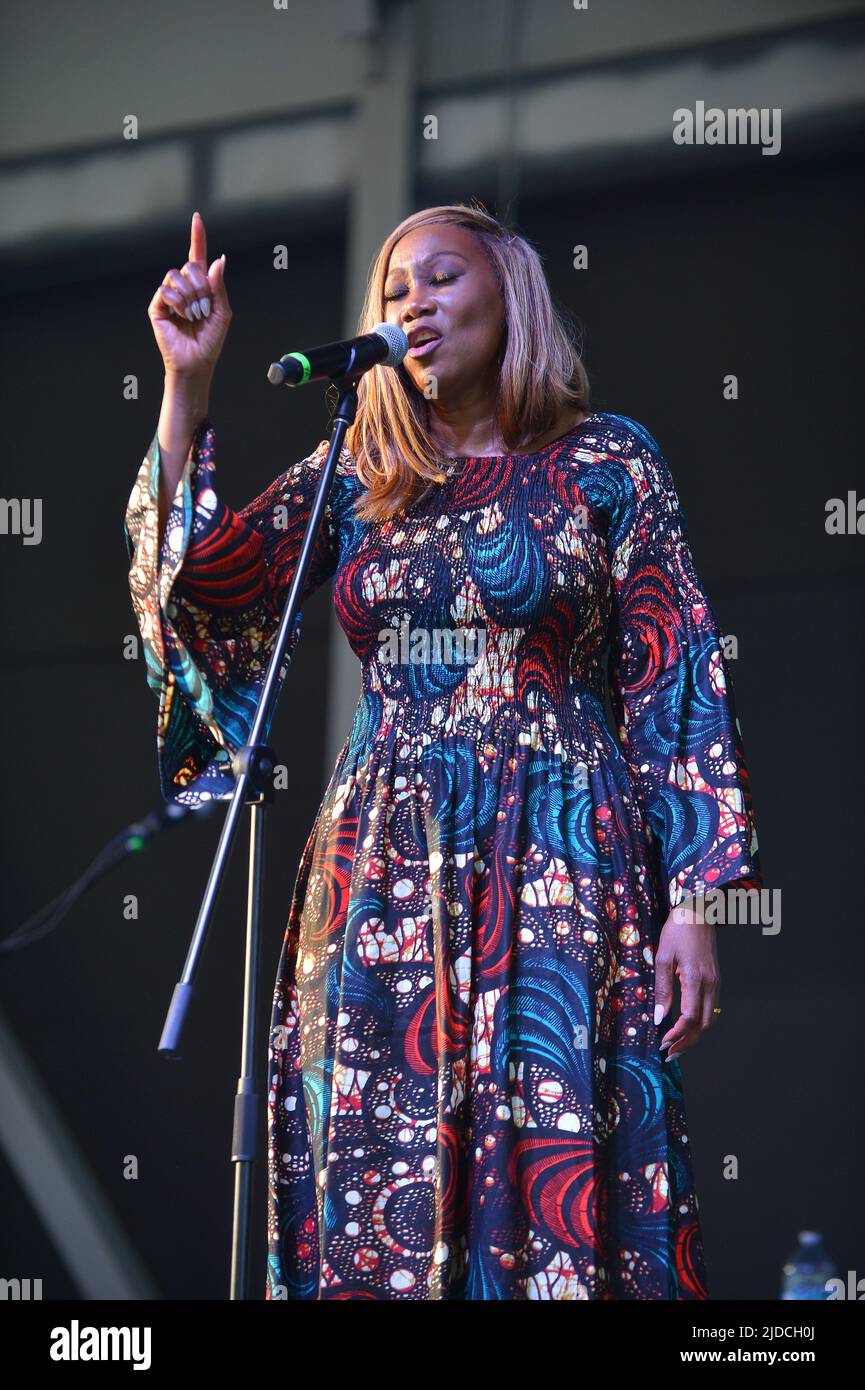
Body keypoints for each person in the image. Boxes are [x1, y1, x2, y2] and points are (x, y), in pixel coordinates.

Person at [124, 202, 762, 1301]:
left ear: (508, 294)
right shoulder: (364, 472)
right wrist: (186, 384)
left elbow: (675, 670)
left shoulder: (606, 462)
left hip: (561, 859)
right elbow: (196, 602)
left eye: (439, 279)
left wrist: (695, 897)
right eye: (392, 292)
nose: (411, 305)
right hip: (383, 871)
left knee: (554, 1158)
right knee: (380, 1174)